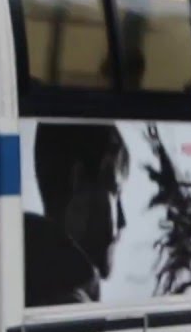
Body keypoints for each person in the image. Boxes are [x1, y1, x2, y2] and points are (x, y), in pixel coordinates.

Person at [24, 123, 130, 307]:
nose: (122, 221)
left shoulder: (23, 275)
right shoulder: (70, 305)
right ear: (78, 179)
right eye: (115, 191)